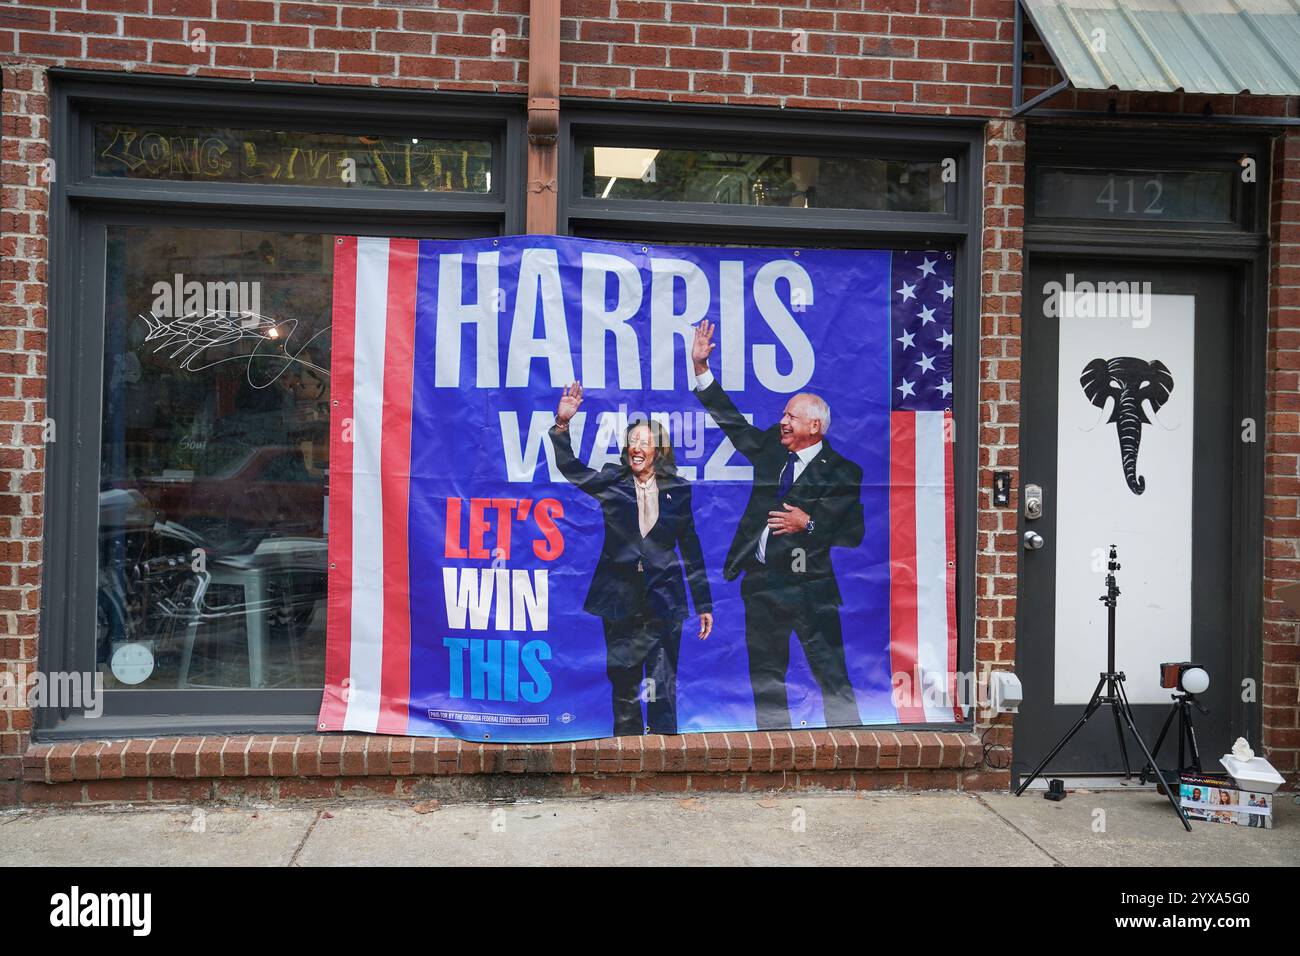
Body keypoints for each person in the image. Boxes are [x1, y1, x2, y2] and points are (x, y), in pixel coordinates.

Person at [688, 319, 865, 730]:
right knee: (765, 678)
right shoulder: (771, 448)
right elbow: (732, 424)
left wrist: (810, 523)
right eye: (783, 414)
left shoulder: (842, 472)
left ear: (814, 427)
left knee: (832, 676)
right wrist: (701, 368)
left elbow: (853, 534)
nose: (782, 421)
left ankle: (852, 749)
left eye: (791, 416)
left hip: (810, 588)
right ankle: (776, 750)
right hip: (762, 586)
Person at [548, 383, 713, 736]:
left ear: (658, 450)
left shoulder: (678, 489)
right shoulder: (612, 481)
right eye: (632, 442)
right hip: (620, 599)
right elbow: (572, 469)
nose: (637, 448)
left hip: (664, 600)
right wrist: (562, 425)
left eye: (645, 442)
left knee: (662, 679)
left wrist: (703, 603)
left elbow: (691, 547)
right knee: (624, 679)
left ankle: (664, 753)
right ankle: (628, 751)